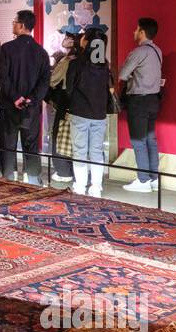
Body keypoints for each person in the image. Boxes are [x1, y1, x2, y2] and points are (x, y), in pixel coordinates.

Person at [0, 9, 50, 184]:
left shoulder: (6, 49)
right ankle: (33, 181)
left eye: (14, 22)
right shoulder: (41, 52)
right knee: (31, 145)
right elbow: (44, 81)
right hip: (31, 109)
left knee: (8, 145)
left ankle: (7, 180)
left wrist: (15, 97)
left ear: (21, 25)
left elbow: (2, 77)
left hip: (9, 106)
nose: (13, 24)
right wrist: (31, 99)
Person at [117, 16, 163, 193]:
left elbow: (122, 74)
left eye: (136, 29)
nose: (134, 32)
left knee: (138, 141)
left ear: (142, 32)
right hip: (154, 100)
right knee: (151, 139)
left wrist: (130, 76)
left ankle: (143, 179)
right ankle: (153, 177)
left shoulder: (138, 52)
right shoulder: (157, 51)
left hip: (139, 100)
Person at [66, 26, 112, 197]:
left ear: (87, 42)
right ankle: (96, 187)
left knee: (80, 150)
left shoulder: (76, 64)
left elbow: (69, 89)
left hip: (80, 112)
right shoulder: (104, 65)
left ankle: (80, 186)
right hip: (99, 114)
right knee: (96, 151)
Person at [44, 22, 81, 183]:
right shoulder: (86, 58)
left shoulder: (67, 59)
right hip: (82, 104)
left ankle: (63, 171)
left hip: (65, 102)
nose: (64, 39)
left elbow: (53, 80)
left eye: (67, 37)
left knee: (59, 136)